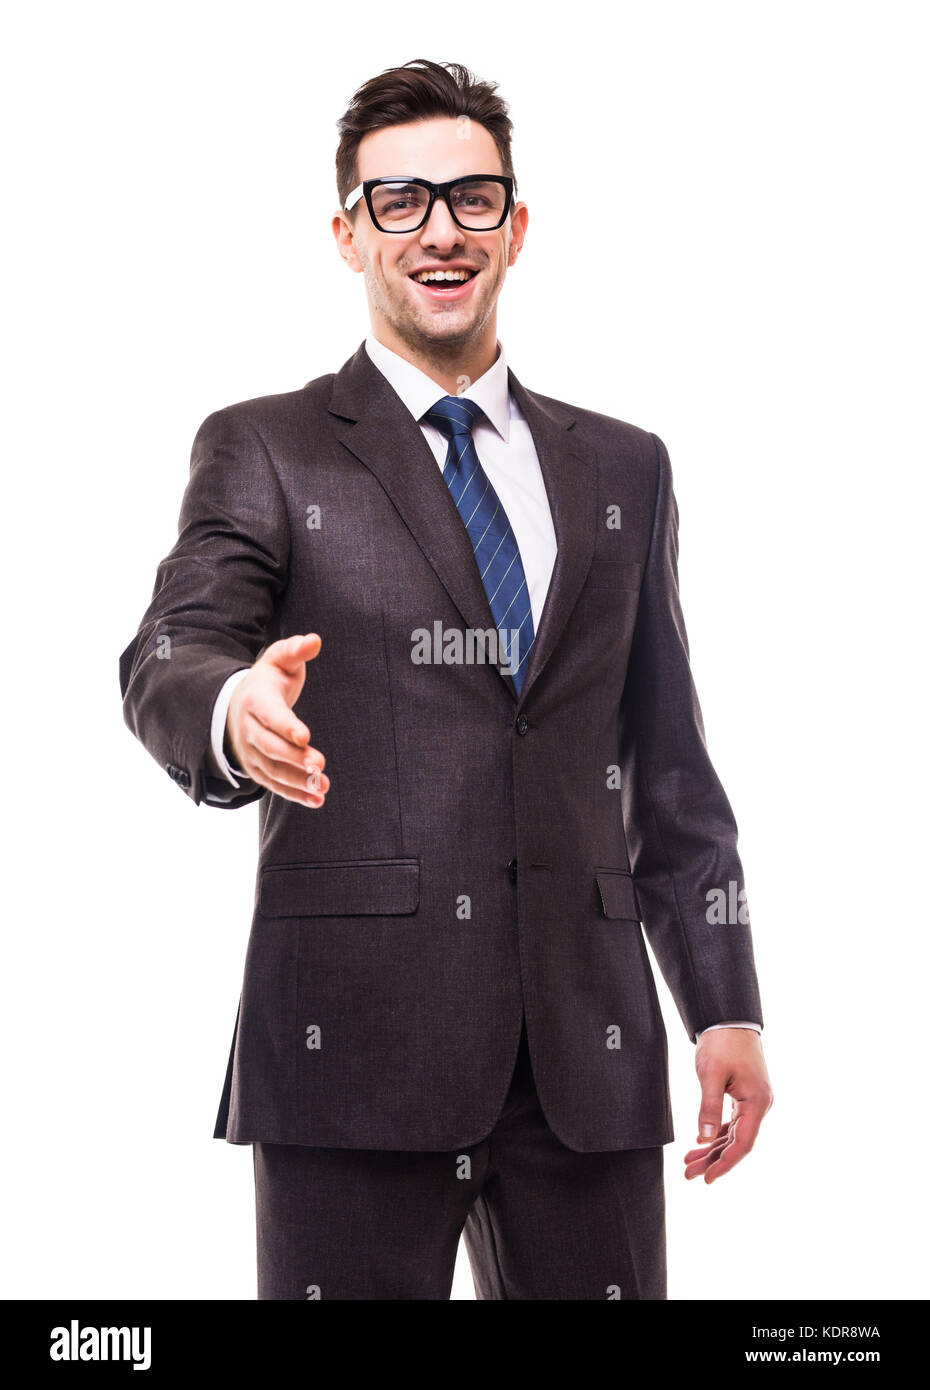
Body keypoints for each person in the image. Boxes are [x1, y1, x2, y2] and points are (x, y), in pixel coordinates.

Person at [119, 57, 773, 1301]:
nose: (439, 231)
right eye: (399, 202)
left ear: (516, 227)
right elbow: (171, 645)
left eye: (472, 198)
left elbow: (669, 762)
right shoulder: (267, 444)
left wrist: (726, 1006)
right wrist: (230, 709)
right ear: (349, 234)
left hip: (590, 1060)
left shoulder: (625, 466)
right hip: (352, 1050)